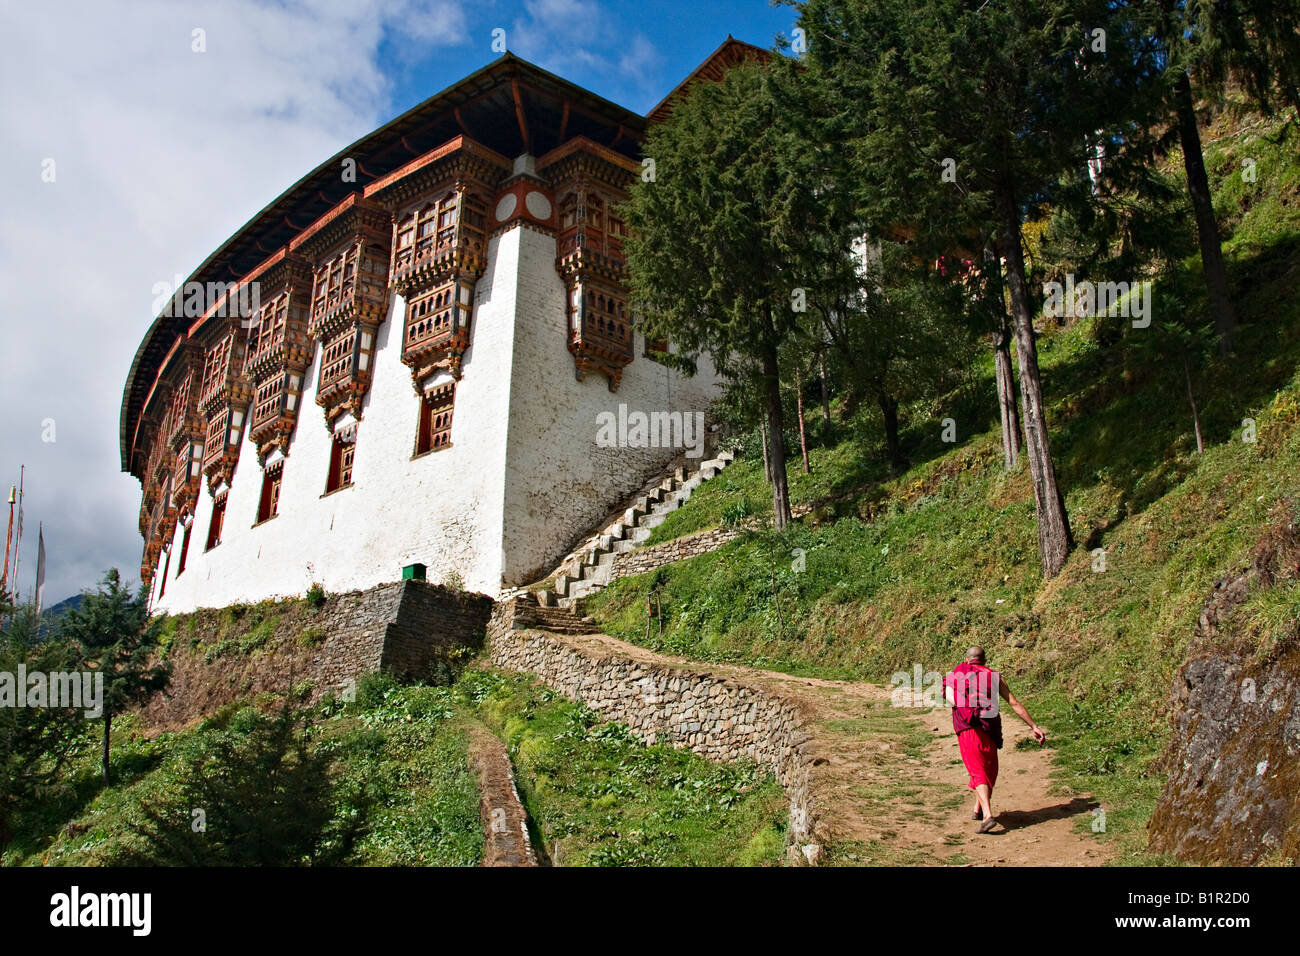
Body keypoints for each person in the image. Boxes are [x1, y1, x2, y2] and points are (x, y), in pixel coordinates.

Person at [943, 646, 1046, 833]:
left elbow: (950, 698)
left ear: (967, 660)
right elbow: (1013, 703)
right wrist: (1033, 726)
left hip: (969, 728)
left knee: (977, 770)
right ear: (984, 660)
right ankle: (977, 809)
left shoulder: (958, 674)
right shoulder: (994, 677)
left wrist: (966, 709)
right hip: (990, 728)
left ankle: (988, 816)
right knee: (988, 767)